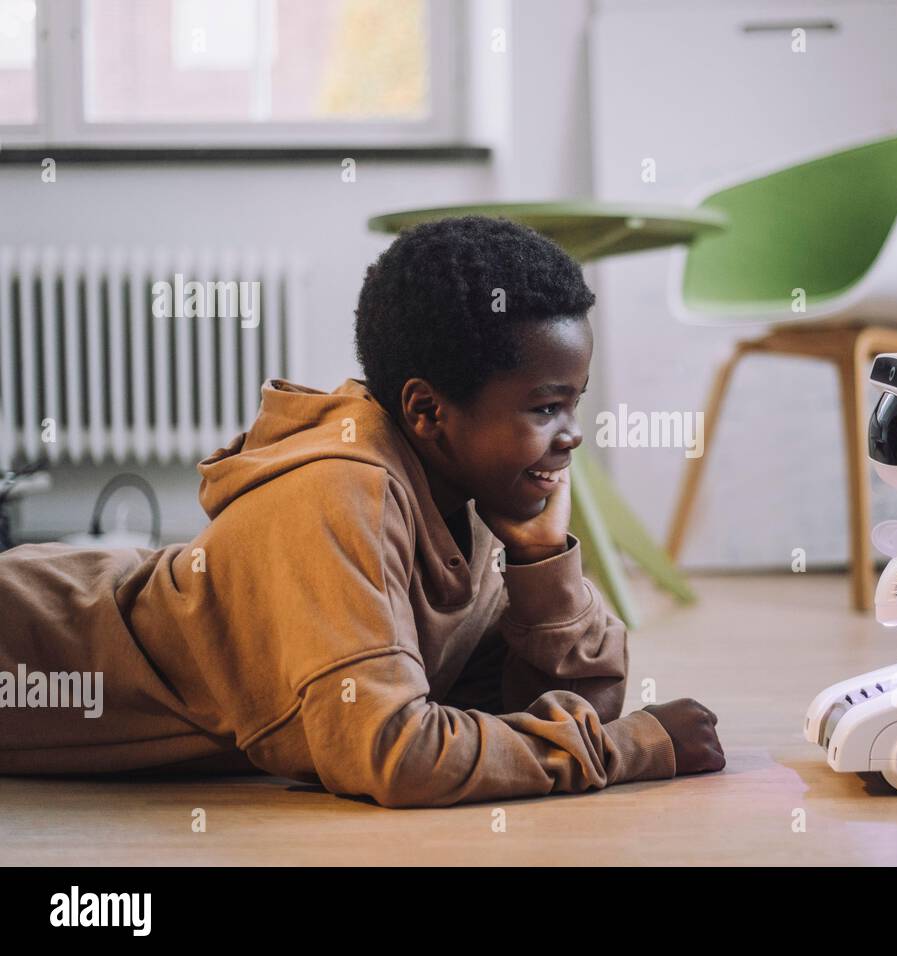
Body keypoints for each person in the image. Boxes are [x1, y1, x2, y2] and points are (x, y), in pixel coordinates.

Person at [0, 216, 725, 807]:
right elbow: (397, 756)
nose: (571, 434)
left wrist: (542, 560)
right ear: (427, 410)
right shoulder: (341, 494)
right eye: (545, 407)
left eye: (575, 402)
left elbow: (569, 705)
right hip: (38, 636)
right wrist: (637, 750)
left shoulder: (472, 502)